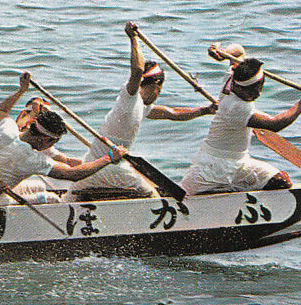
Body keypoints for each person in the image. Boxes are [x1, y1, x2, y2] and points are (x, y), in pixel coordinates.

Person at [69, 21, 218, 200]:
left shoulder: (143, 106)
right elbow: (137, 70)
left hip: (94, 164)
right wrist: (134, 38)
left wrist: (205, 110)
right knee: (153, 195)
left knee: (70, 198)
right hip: (111, 166)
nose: (159, 94)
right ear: (157, 84)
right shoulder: (130, 98)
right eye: (161, 89)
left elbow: (173, 113)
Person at [0, 72, 128, 207]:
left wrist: (21, 90)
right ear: (45, 141)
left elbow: (1, 110)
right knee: (53, 199)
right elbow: (74, 175)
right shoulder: (30, 158)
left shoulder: (8, 130)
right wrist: (109, 158)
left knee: (40, 185)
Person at [179, 55, 301, 195]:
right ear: (238, 87)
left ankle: (229, 193)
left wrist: (224, 52)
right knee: (181, 197)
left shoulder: (231, 77)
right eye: (251, 91)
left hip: (241, 163)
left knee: (281, 182)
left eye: (260, 87)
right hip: (211, 166)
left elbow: (238, 52)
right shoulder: (237, 107)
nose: (257, 94)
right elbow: (275, 124)